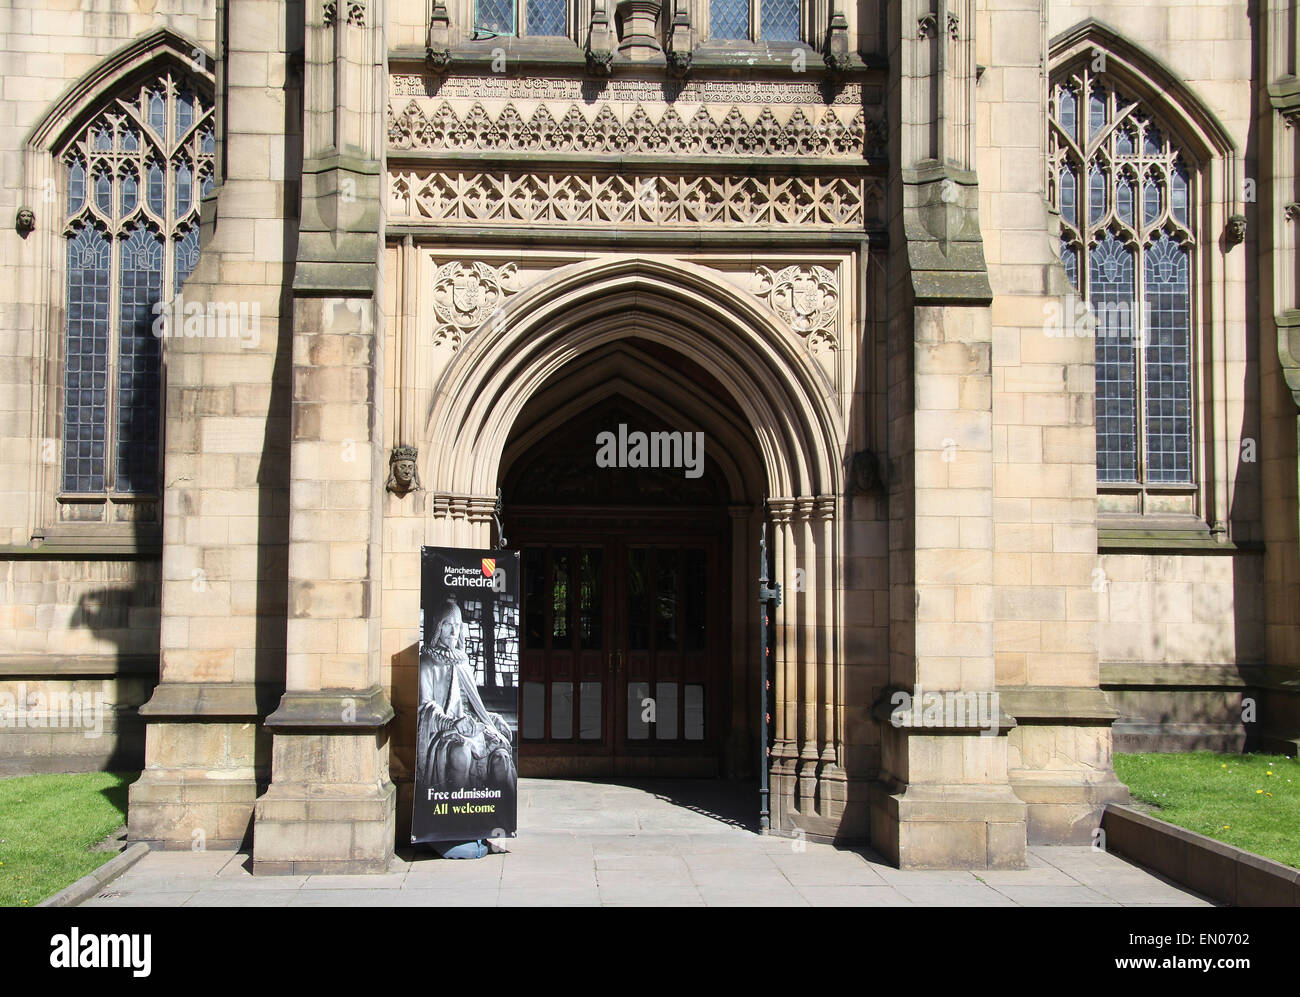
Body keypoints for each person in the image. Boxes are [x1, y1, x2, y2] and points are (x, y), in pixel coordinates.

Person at [417, 598, 515, 795]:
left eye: (457, 626)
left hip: (473, 727)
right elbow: (425, 707)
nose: (454, 632)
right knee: (460, 753)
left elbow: (472, 706)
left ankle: (501, 817)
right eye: (447, 625)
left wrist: (492, 718)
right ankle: (455, 814)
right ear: (438, 627)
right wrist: (451, 724)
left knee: (501, 760)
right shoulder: (427, 662)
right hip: (445, 730)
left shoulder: (463, 663)